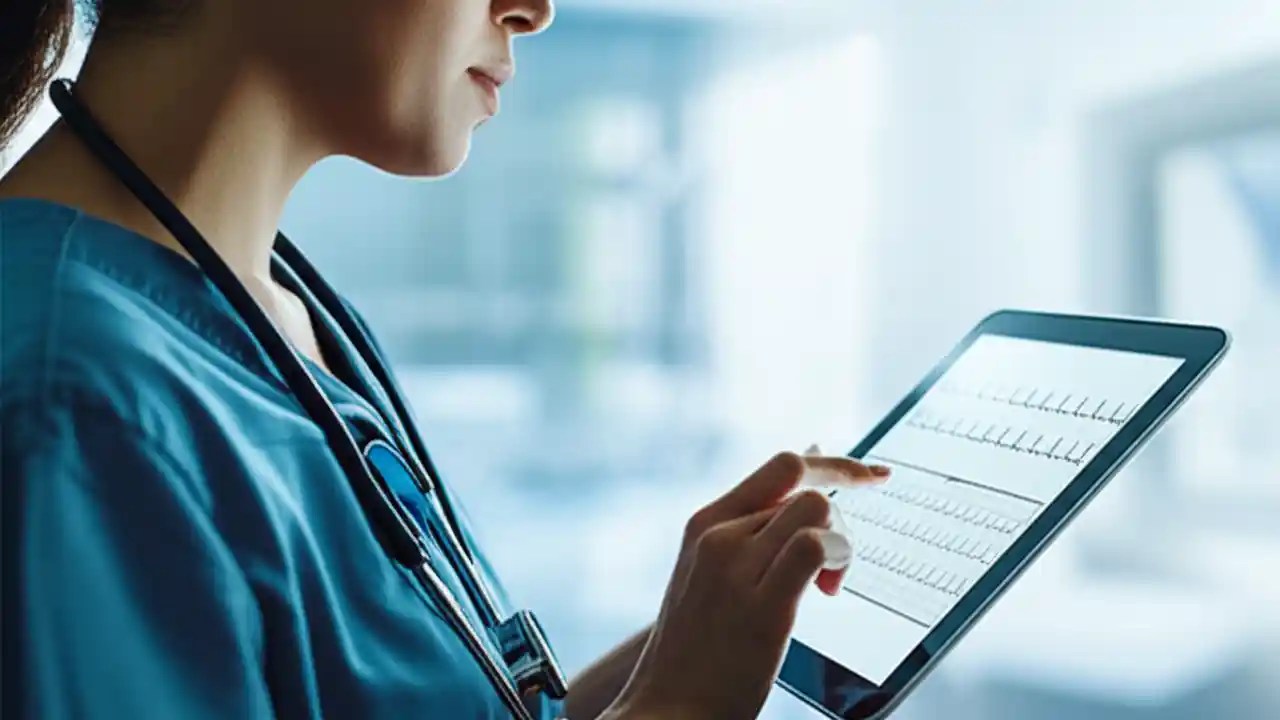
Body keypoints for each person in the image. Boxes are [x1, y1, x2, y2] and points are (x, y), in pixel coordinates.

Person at [0, 1, 891, 718]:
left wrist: (697, 639)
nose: (534, 11)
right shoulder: (74, 399)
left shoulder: (285, 306)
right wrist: (682, 706)